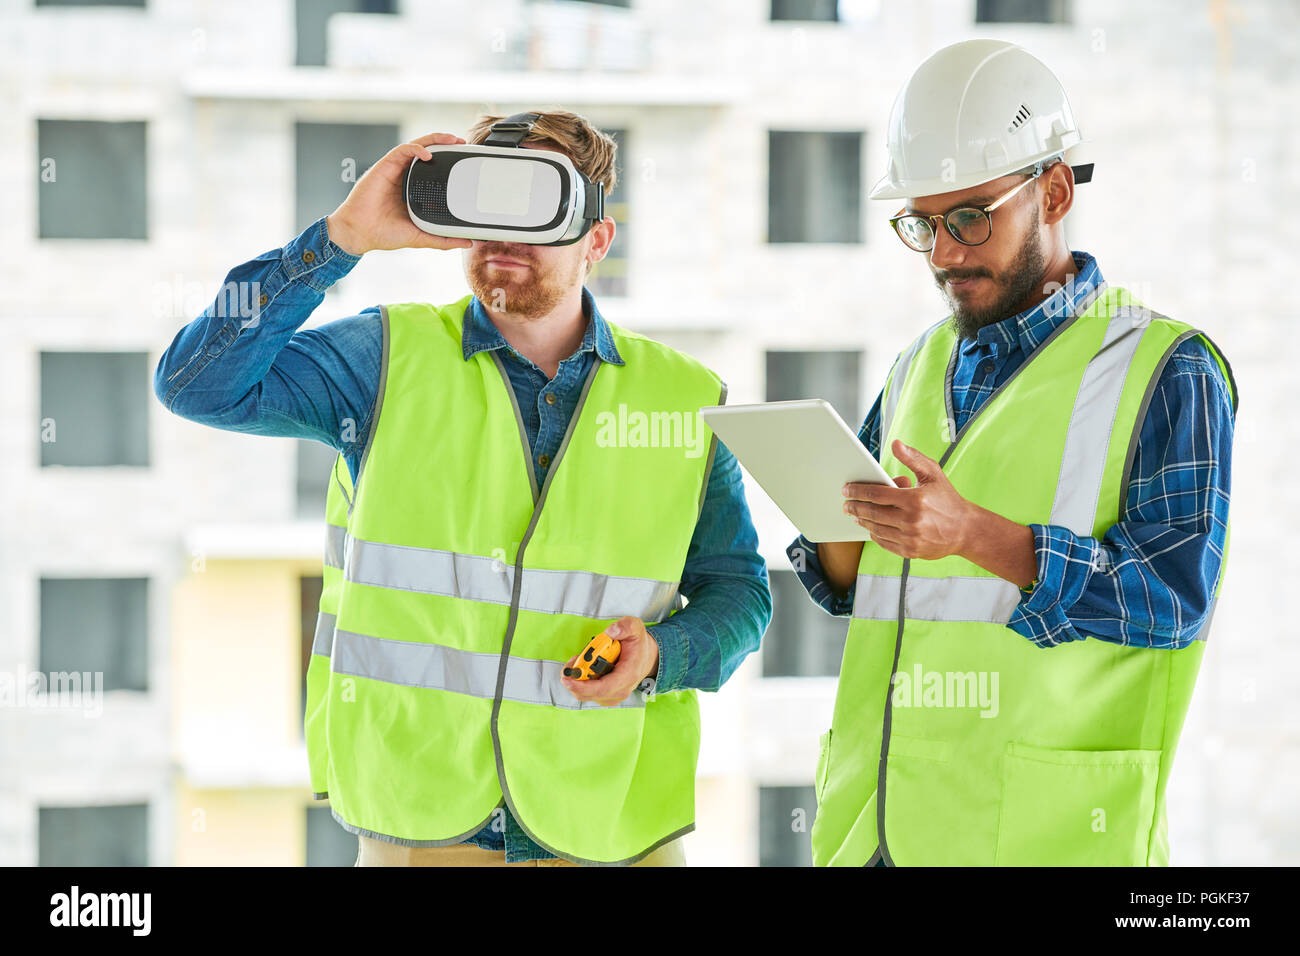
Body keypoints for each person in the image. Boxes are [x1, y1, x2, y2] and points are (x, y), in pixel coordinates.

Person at [154, 109, 771, 867]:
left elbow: (739, 591)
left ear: (597, 242)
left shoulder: (685, 397)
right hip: (420, 820)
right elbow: (196, 385)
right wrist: (339, 241)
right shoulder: (386, 359)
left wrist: (663, 655)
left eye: (536, 215)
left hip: (608, 822)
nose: (504, 243)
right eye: (486, 214)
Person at [786, 39, 1238, 866]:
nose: (945, 253)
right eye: (923, 223)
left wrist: (975, 536)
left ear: (1055, 190)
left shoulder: (1166, 369)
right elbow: (866, 588)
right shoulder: (919, 362)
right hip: (873, 833)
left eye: (970, 217)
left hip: (1041, 837)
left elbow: (1175, 601)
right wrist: (837, 526)